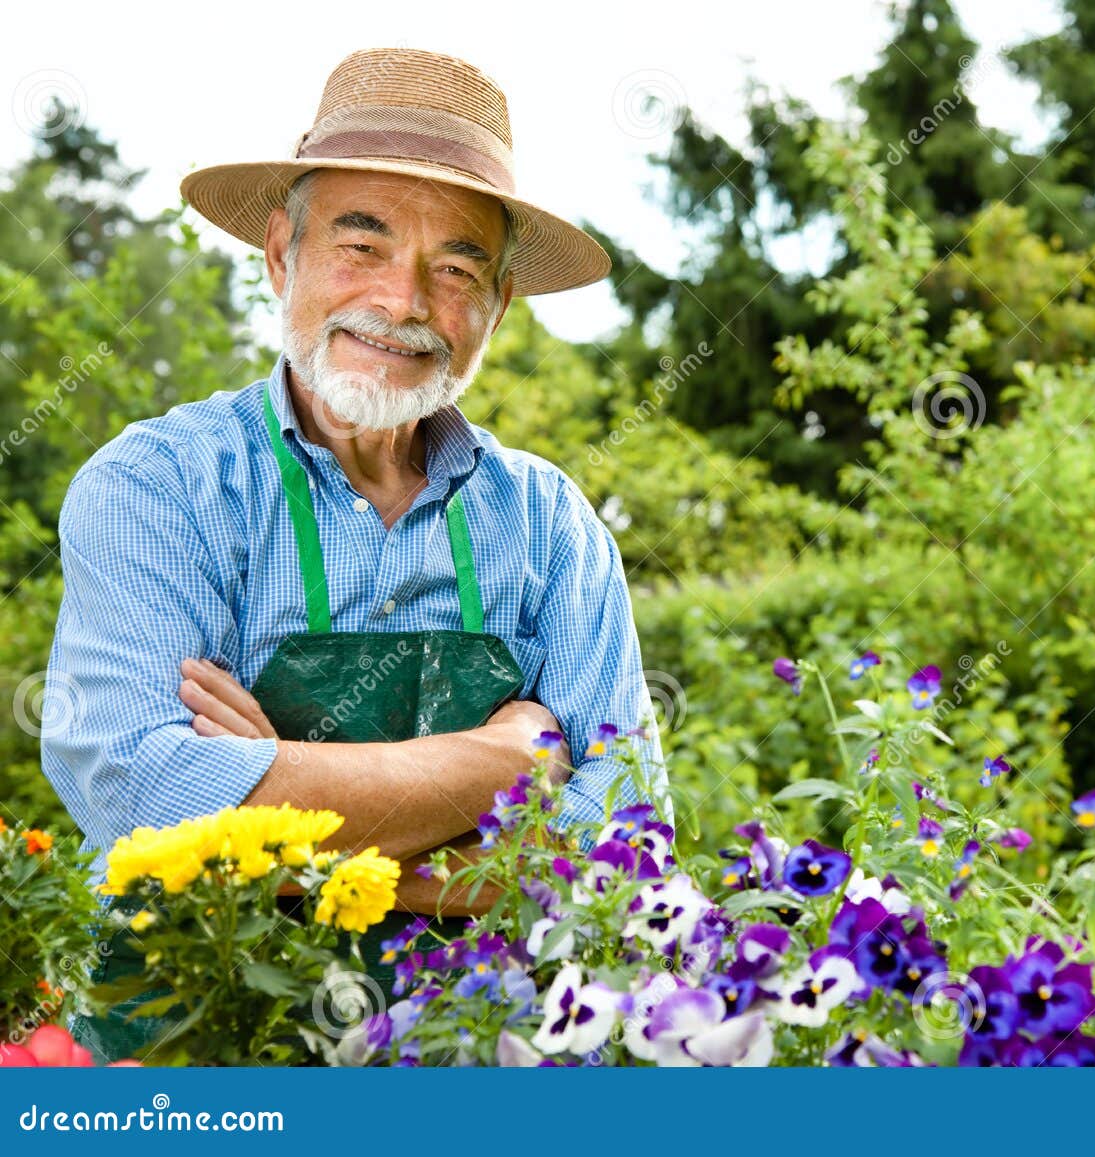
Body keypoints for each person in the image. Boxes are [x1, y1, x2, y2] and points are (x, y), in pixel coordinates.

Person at [40, 46, 666, 1060]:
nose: (404, 301)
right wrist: (506, 764)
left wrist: (265, 801)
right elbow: (146, 797)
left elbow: (626, 842)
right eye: (362, 243)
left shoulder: (551, 526)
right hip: (201, 1059)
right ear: (280, 253)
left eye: (456, 267)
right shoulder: (160, 486)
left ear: (499, 304)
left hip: (472, 1059)